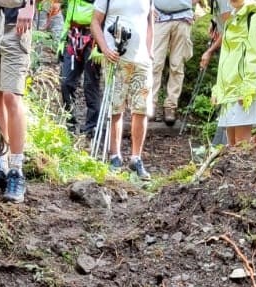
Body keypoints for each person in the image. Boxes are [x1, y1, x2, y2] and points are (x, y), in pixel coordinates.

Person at [92, 0, 156, 179]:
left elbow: (150, 22)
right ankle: (115, 156)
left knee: (141, 109)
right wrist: (105, 48)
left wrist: (150, 51)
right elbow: (95, 21)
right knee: (115, 108)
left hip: (142, 61)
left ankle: (136, 158)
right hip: (115, 58)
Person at [0, 2, 36, 203]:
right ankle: (2, 159)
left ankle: (16, 170)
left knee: (11, 95)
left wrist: (29, 5)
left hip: (16, 24)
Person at [203, 0, 256, 147]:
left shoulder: (255, 17)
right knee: (230, 148)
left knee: (240, 148)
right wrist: (218, 89)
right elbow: (226, 59)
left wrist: (247, 89)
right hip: (228, 90)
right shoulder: (232, 18)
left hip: (243, 91)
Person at [60, 0, 105, 137]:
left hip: (93, 36)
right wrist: (62, 39)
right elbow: (71, 12)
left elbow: (105, 11)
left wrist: (102, 44)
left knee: (91, 83)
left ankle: (92, 126)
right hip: (73, 34)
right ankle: (70, 123)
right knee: (66, 82)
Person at [149, 0, 195, 128]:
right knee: (155, 63)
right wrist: (149, 8)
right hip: (158, 17)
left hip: (183, 18)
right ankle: (150, 104)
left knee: (177, 65)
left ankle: (170, 106)